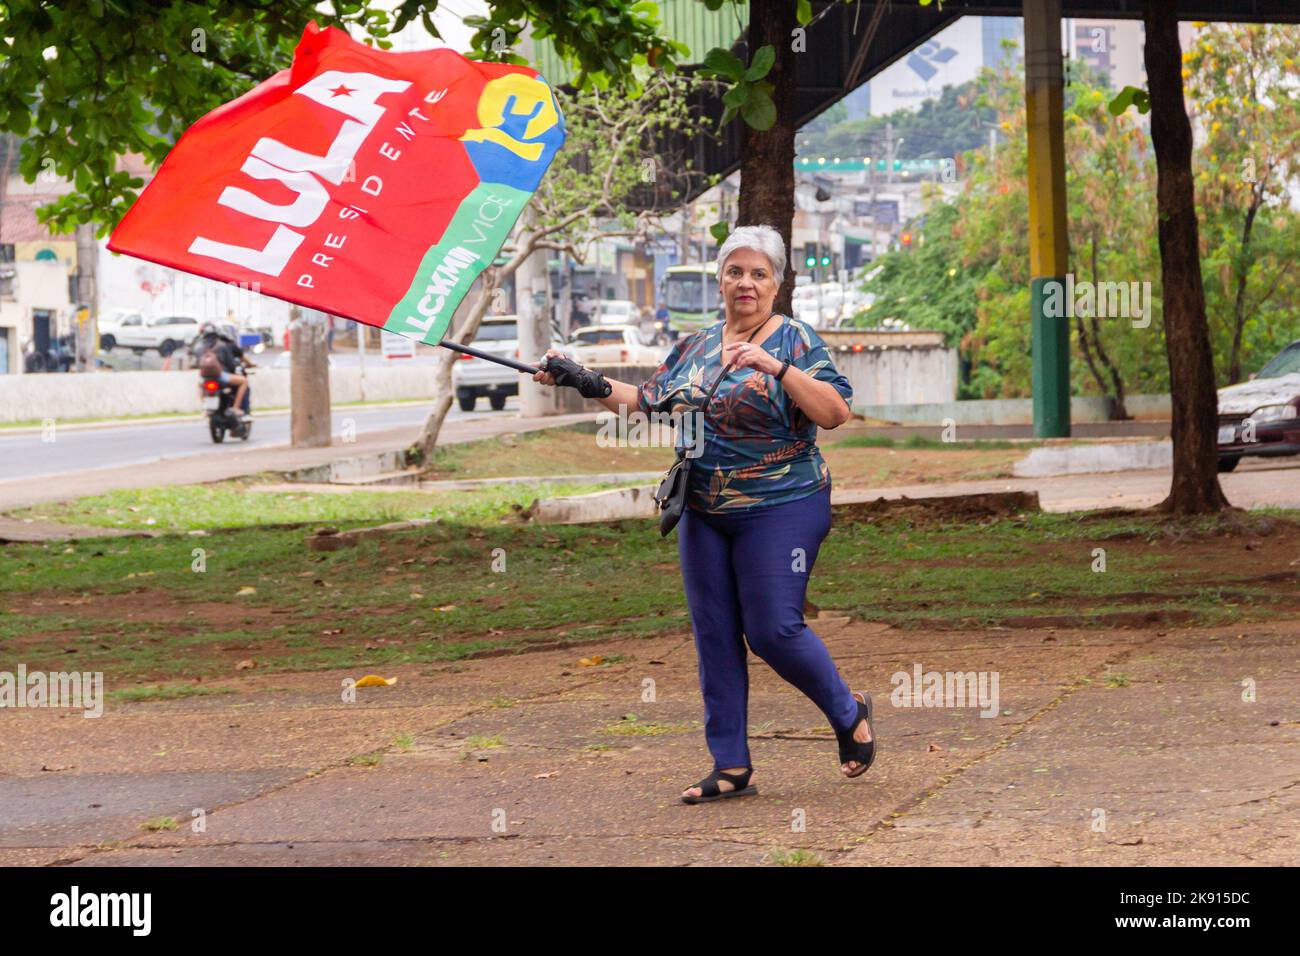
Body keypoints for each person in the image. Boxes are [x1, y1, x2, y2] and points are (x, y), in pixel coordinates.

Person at [532, 224, 875, 804]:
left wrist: (775, 368)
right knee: (714, 633)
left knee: (772, 629)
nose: (746, 283)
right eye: (735, 272)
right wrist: (581, 380)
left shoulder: (795, 340)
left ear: (777, 284)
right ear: (720, 280)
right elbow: (646, 400)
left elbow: (836, 411)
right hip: (702, 506)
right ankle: (731, 764)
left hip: (783, 504)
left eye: (759, 273)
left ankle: (848, 712)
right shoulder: (694, 345)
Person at [195, 323, 254, 418]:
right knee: (244, 381)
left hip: (205, 378)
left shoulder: (198, 347)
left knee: (199, 386)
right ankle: (235, 407)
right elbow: (231, 365)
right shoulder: (222, 345)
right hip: (221, 376)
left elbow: (196, 364)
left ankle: (205, 408)